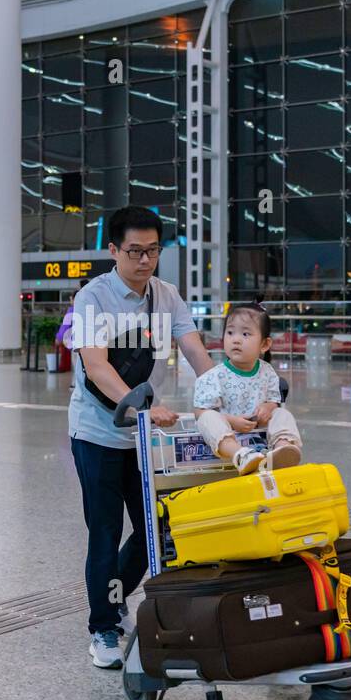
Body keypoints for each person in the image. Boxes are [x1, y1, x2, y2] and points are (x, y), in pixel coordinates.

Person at [69, 205, 215, 670]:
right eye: (135, 251)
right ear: (113, 250)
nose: (145, 260)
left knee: (158, 527)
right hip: (96, 434)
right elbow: (96, 366)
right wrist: (144, 407)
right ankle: (103, 628)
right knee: (105, 532)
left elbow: (196, 353)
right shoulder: (94, 297)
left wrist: (226, 397)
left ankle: (113, 597)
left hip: (146, 438)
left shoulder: (166, 295)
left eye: (153, 250)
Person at [193, 303, 302, 474]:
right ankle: (240, 454)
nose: (236, 339)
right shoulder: (214, 376)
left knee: (282, 414)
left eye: (245, 334)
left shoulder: (267, 372)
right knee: (207, 418)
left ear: (264, 344)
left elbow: (273, 400)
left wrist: (268, 407)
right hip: (227, 438)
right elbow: (200, 412)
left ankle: (282, 449)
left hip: (259, 434)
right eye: (230, 332)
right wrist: (231, 420)